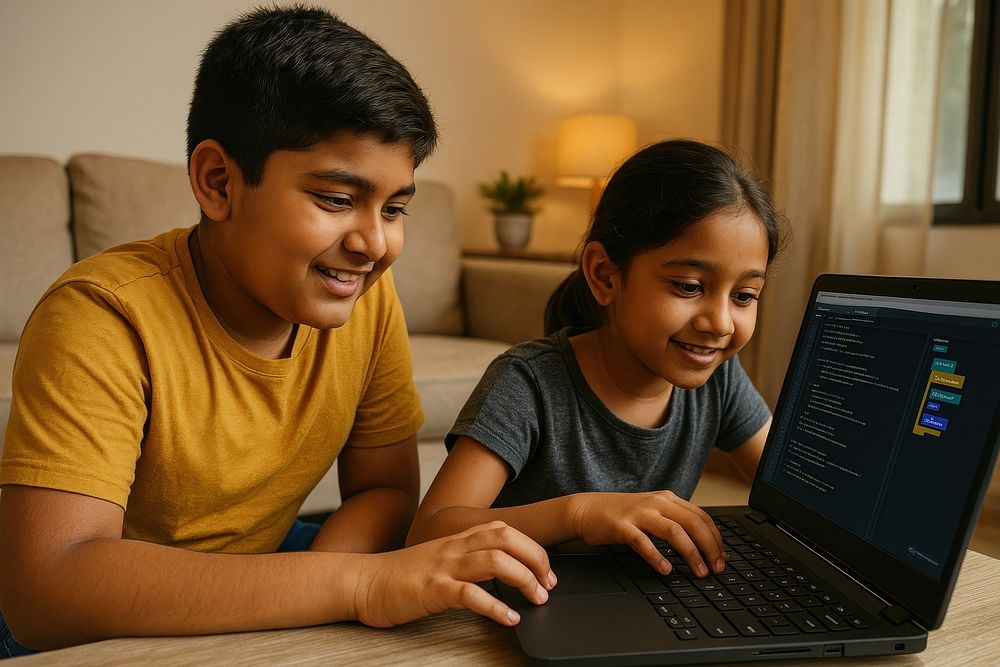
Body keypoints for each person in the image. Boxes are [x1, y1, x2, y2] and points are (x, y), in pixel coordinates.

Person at [0, 6, 554, 656]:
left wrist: (334, 584)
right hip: (90, 597)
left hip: (273, 551)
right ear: (217, 182)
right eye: (337, 199)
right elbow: (46, 590)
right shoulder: (101, 315)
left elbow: (385, 489)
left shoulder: (366, 303)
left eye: (396, 208)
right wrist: (355, 584)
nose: (375, 244)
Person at [407, 139, 787, 580]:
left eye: (744, 296)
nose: (720, 323)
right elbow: (428, 534)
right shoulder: (529, 383)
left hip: (641, 598)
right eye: (688, 286)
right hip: (523, 602)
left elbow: (791, 498)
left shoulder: (721, 380)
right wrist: (580, 513)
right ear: (605, 275)